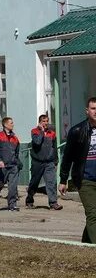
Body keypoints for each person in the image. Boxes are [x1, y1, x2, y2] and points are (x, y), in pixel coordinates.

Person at [59, 97, 96, 242]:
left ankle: (85, 242)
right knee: (93, 213)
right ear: (87, 111)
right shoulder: (77, 131)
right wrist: (63, 180)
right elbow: (67, 157)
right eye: (93, 108)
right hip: (85, 179)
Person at [26, 113, 62, 210]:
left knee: (51, 182)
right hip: (37, 162)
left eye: (47, 121)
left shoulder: (52, 133)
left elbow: (54, 148)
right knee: (34, 182)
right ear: (40, 122)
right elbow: (37, 142)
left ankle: (53, 203)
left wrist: (56, 161)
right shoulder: (34, 131)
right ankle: (29, 200)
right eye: (44, 121)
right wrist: (41, 131)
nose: (46, 123)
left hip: (49, 162)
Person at [0, 116, 22, 211]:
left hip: (13, 166)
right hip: (2, 166)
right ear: (5, 124)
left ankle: (12, 204)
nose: (13, 124)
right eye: (11, 123)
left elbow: (16, 152)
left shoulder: (15, 138)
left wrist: (17, 162)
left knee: (12, 186)